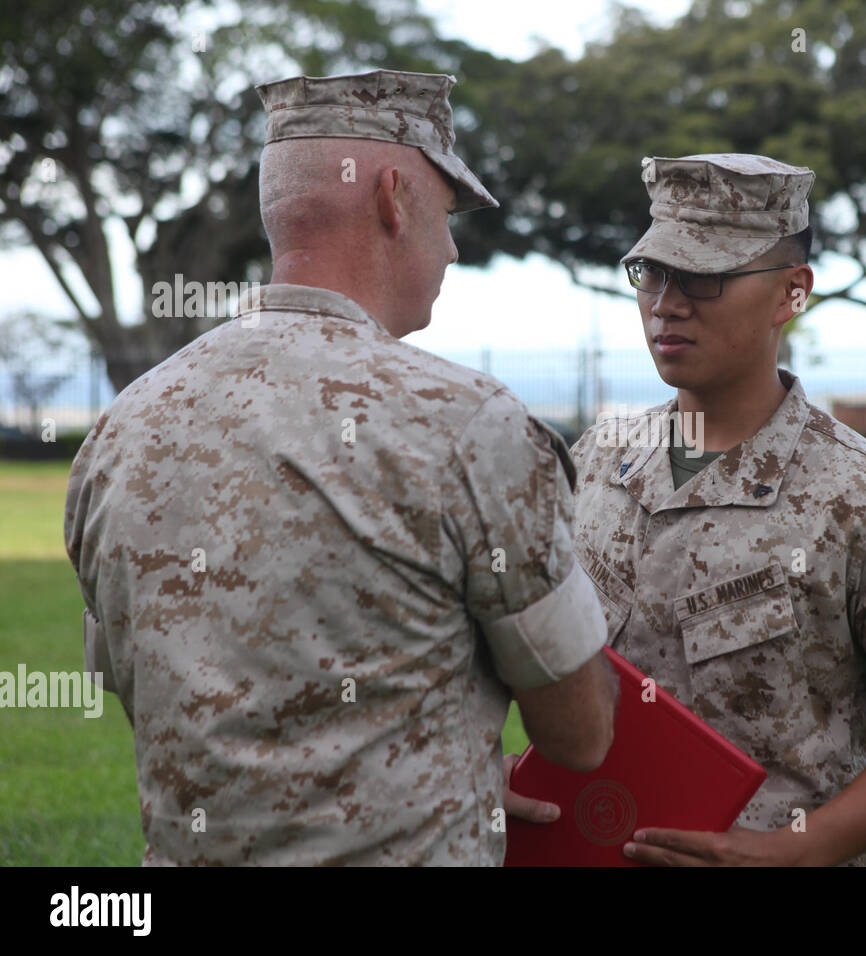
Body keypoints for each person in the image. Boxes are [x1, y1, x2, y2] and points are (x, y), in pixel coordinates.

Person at [63, 70, 615, 866]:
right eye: (448, 212)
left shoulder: (119, 431)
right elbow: (581, 734)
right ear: (394, 196)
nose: (454, 247)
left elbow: (157, 695)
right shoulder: (469, 425)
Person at [510, 153, 866, 866]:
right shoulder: (596, 461)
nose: (667, 302)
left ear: (790, 294)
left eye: (704, 277)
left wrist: (796, 848)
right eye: (651, 273)